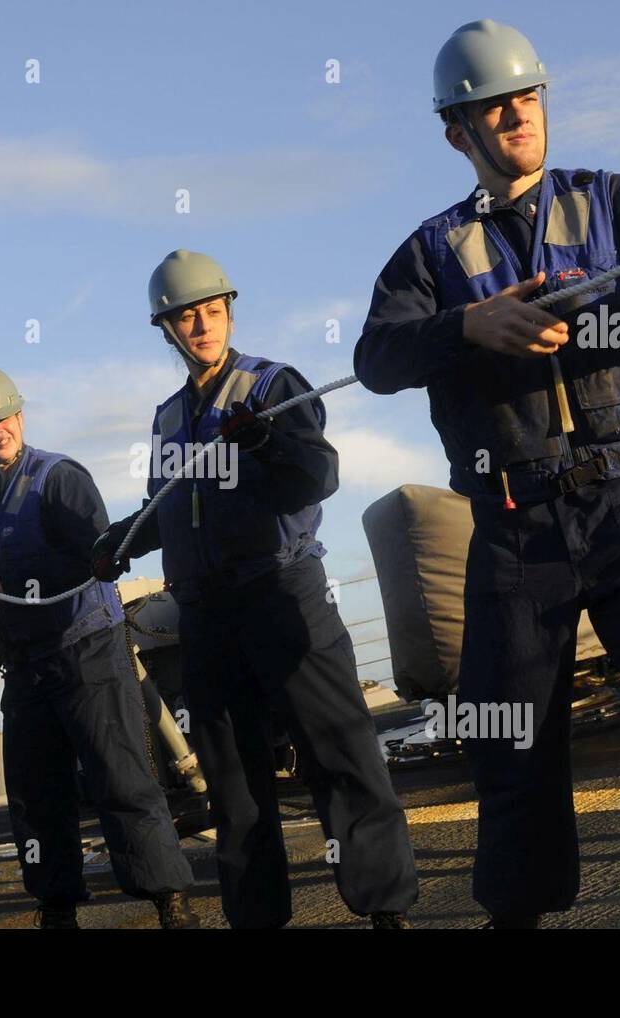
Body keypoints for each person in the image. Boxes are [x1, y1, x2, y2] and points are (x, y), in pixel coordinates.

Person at [353, 19, 620, 929]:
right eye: (492, 108)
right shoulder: (431, 254)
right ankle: (521, 914)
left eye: (526, 98)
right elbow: (378, 358)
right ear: (457, 133)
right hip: (516, 530)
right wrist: (467, 328)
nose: (517, 116)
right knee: (507, 739)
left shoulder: (615, 199)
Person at [95, 251, 418, 929]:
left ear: (229, 312)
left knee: (339, 754)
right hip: (205, 614)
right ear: (166, 329)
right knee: (233, 785)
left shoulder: (272, 385)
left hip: (282, 591)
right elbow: (171, 508)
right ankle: (257, 920)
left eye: (212, 311)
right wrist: (119, 540)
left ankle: (385, 910)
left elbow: (316, 477)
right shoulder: (168, 419)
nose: (203, 325)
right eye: (187, 317)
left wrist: (268, 443)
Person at [0, 365, 198, 929]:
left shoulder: (60, 477)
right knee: (35, 794)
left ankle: (168, 899)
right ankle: (56, 904)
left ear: (19, 413)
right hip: (26, 668)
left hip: (87, 651)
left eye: (3, 419)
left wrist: (13, 588)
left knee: (121, 776)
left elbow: (96, 556)